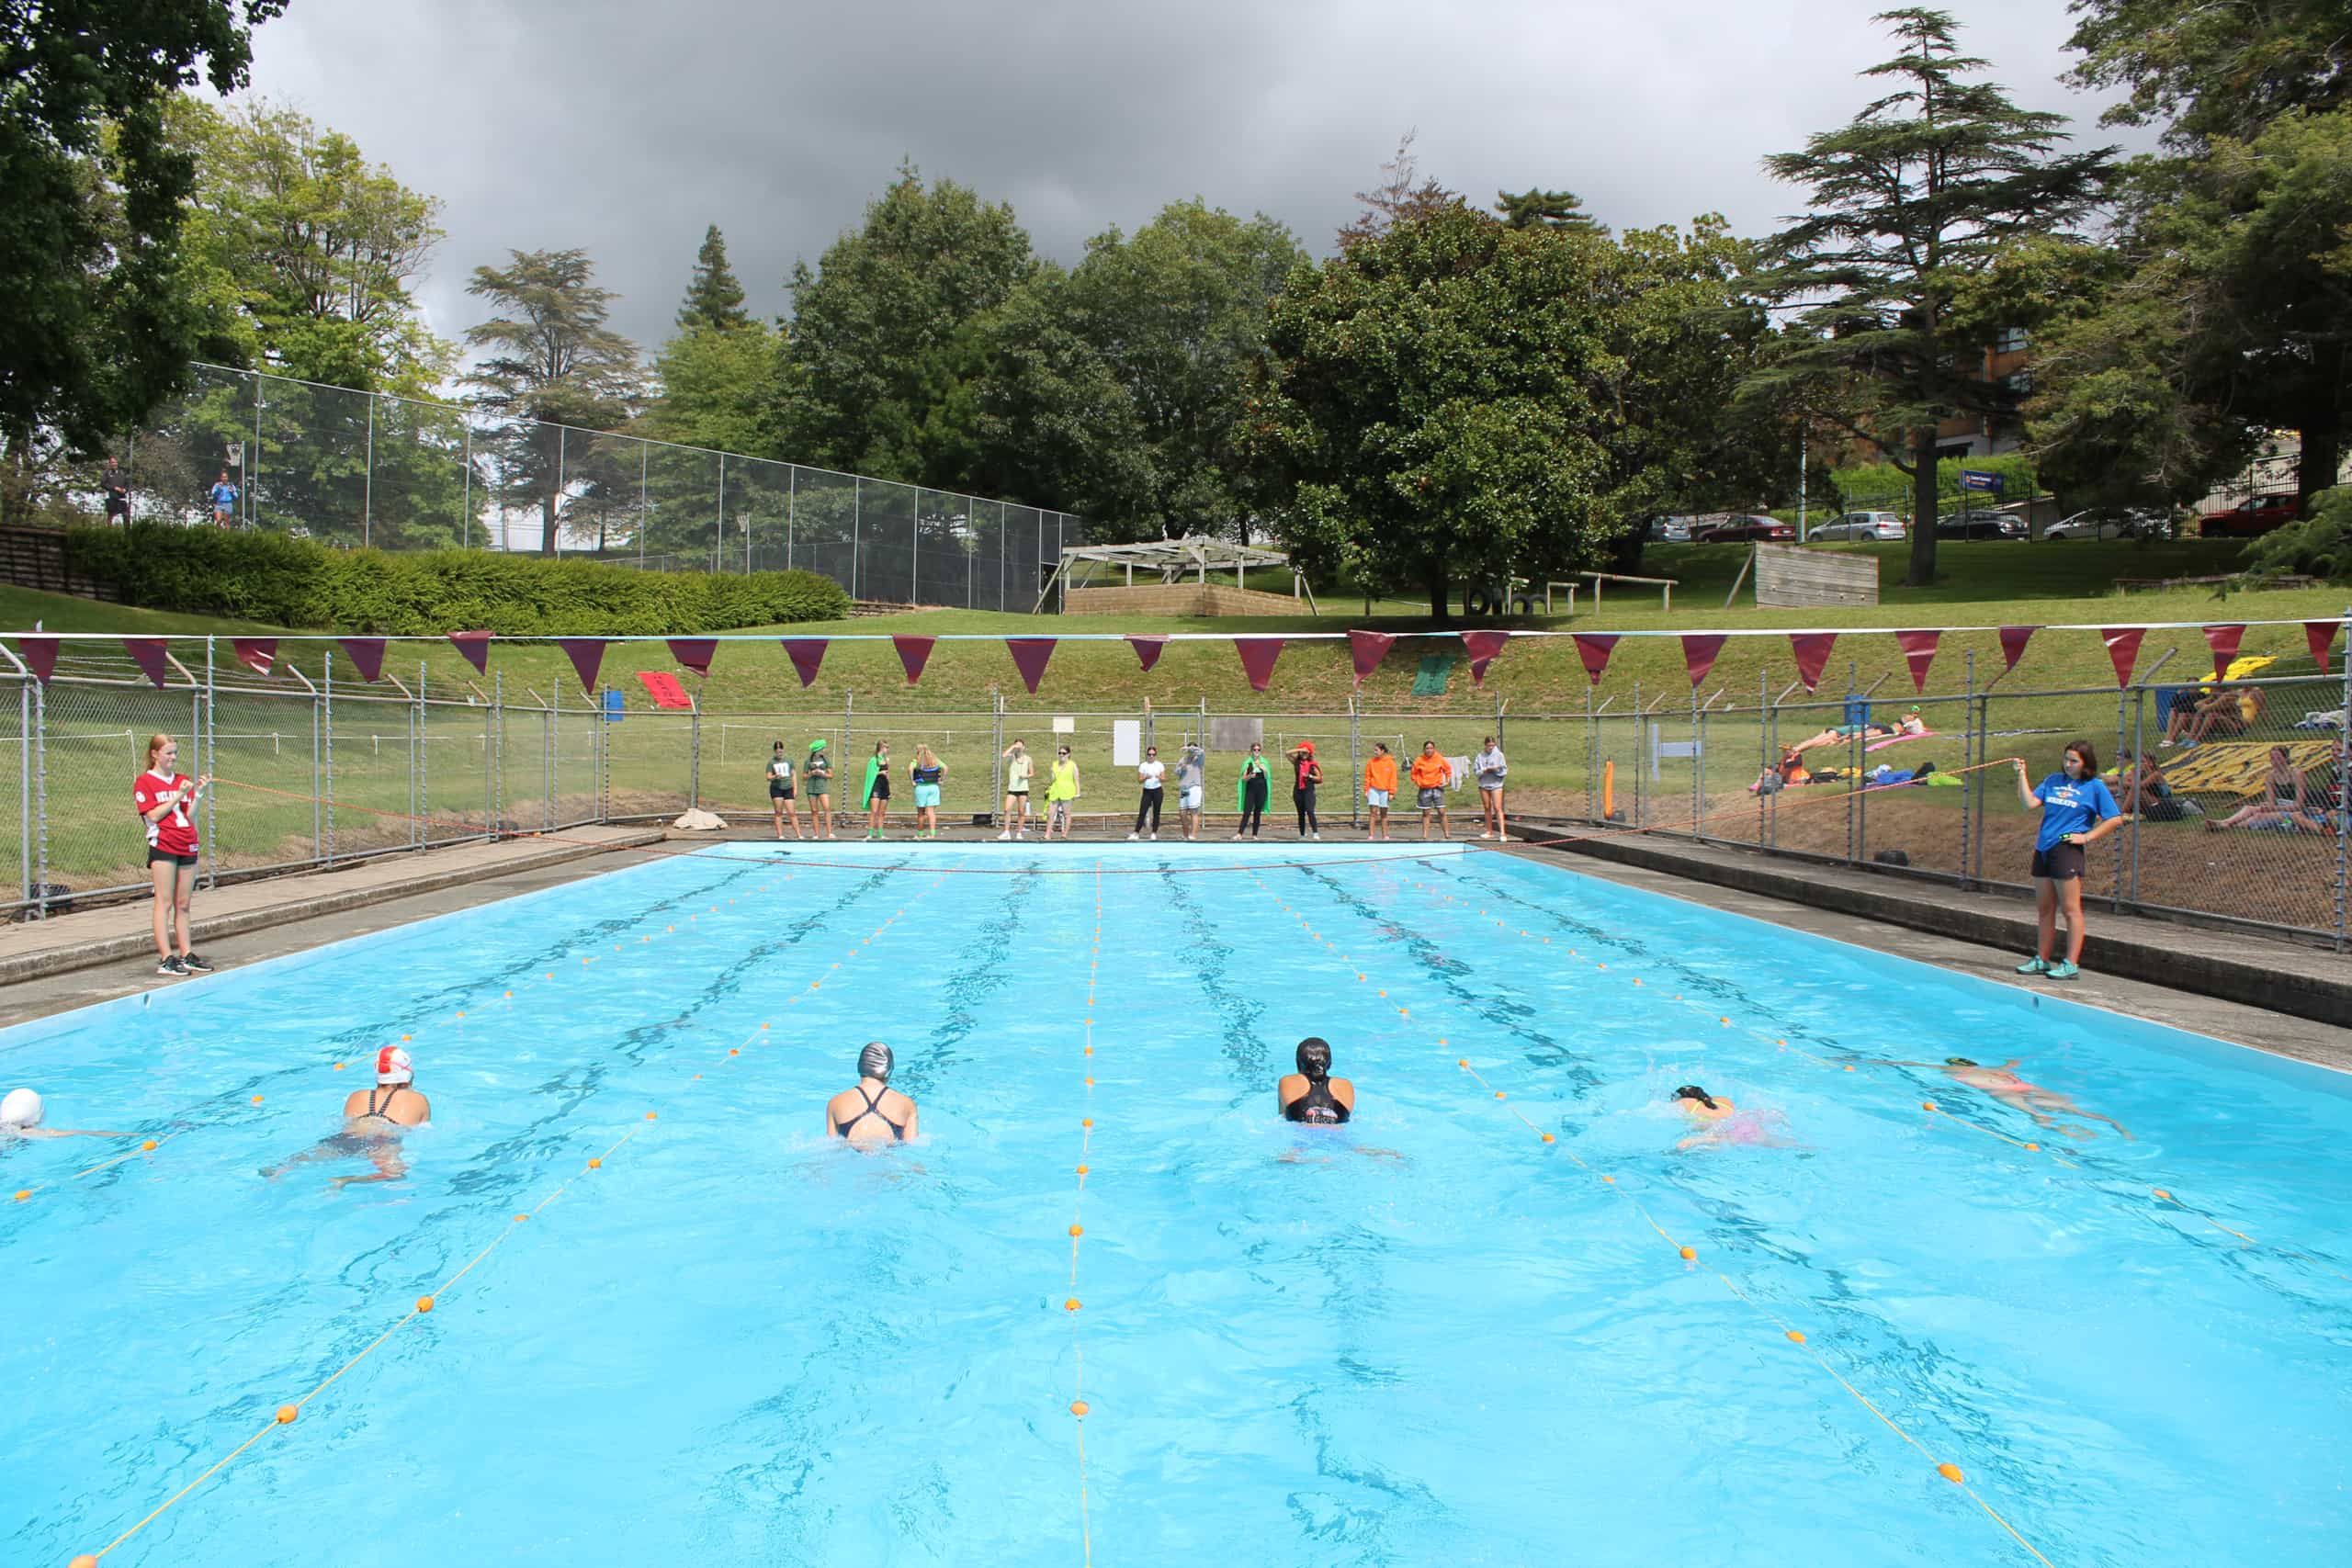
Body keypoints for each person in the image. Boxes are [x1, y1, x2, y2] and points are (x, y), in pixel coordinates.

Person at [2011, 740, 2126, 980]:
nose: (2068, 765)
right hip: (2044, 847)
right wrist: (2021, 775)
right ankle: (2042, 959)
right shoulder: (2053, 781)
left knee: (2071, 910)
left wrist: (2086, 837)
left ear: (2085, 763)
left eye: (2074, 761)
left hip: (2066, 850)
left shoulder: (2094, 787)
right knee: (2045, 909)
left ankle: (2070, 963)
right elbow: (2029, 803)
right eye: (2066, 759)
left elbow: (2114, 818)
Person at [262, 1045, 432, 1187]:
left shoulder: (356, 1095)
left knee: (310, 1156)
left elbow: (346, 1123)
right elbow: (422, 1132)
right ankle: (346, 1180)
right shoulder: (418, 1099)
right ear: (408, 1075)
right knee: (396, 1175)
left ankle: (280, 1169)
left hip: (346, 1138)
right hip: (382, 1141)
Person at [1863, 1056, 2133, 1140]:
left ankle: (2060, 1131)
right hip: (2023, 1085)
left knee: (2034, 1114)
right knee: (2077, 1111)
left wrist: (1886, 1062)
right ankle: (2116, 1126)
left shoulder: (1954, 1071)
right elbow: (2013, 1063)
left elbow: (1918, 1066)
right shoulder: (1994, 1069)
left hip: (2002, 1092)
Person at [134, 733, 212, 977]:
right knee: (164, 902)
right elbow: (153, 816)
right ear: (155, 754)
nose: (173, 757)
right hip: (164, 845)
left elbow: (189, 816)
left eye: (175, 752)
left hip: (187, 842)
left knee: (184, 903)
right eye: (168, 753)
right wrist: (178, 794)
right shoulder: (145, 782)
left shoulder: (182, 780)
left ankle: (186, 953)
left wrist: (197, 794)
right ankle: (166, 957)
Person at [2205, 744, 2330, 833]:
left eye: (2278, 758)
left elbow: (2299, 805)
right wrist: (2267, 806)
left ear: (2286, 759)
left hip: (2295, 813)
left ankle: (2226, 825)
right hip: (2279, 809)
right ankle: (2225, 823)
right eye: (2272, 758)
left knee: (2257, 817)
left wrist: (2273, 808)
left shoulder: (2296, 774)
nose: (2275, 762)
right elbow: (2270, 801)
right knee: (2249, 808)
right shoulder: (2270, 776)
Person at [826, 1041, 918, 1146]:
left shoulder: (835, 1102)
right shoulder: (907, 1104)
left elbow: (831, 1147)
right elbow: (912, 1147)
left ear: (859, 1067)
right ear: (889, 1070)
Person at [1669, 1084, 1792, 1150]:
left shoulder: (1685, 1103)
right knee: (1782, 1144)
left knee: (1688, 1144)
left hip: (1725, 1132)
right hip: (1748, 1125)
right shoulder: (1723, 1100)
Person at [1276, 1038, 1354, 1124]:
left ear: (1298, 1063)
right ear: (1329, 1063)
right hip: (1336, 1132)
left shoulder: (1287, 1081)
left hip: (1302, 1131)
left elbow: (1282, 1117)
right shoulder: (1346, 1085)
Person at [2163, 682, 2264, 748]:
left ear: (2218, 689)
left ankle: (2197, 740)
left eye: (2212, 688)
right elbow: (2197, 705)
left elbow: (2207, 708)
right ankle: (2185, 738)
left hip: (2236, 727)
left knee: (2212, 715)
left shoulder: (2228, 698)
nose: (2210, 691)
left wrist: (2212, 701)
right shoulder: (2214, 698)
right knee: (2188, 715)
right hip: (2220, 726)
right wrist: (2210, 699)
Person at [1, 1089, 127, 1140]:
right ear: (37, 1117)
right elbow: (84, 1133)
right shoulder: (24, 1133)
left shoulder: (7, 1129)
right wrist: (128, 1134)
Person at [1408, 740, 1452, 840]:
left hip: (1437, 788)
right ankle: (1425, 835)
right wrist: (1418, 782)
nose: (1429, 750)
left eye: (1431, 748)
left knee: (1441, 811)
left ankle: (1447, 834)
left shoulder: (1439, 758)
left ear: (1434, 749)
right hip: (1424, 789)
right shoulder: (1419, 760)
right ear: (1424, 749)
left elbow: (1448, 770)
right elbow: (1413, 773)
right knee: (1426, 813)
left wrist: (1447, 781)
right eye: (1427, 748)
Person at [1474, 735, 1509, 841]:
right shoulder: (1480, 756)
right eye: (1489, 746)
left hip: (1496, 784)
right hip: (1484, 784)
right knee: (1487, 807)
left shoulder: (1499, 755)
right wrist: (1483, 771)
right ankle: (1489, 831)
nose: (1491, 747)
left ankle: (1503, 832)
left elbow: (1504, 770)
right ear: (1485, 745)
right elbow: (1476, 771)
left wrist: (1496, 769)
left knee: (1497, 807)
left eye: (1493, 745)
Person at [1285, 741, 1322, 840]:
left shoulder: (1312, 765)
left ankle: (1315, 833)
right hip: (1298, 791)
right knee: (1300, 813)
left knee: (1310, 811)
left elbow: (1319, 778)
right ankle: (1302, 834)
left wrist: (1309, 776)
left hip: (1308, 790)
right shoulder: (1297, 763)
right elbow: (1287, 753)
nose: (1304, 754)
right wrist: (1300, 749)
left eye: (1306, 752)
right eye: (1302, 753)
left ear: (1310, 753)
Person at [765, 741, 801, 840]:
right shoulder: (771, 762)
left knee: (792, 812)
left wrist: (795, 788)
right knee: (778, 812)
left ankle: (798, 834)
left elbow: (793, 774)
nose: (779, 753)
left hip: (788, 788)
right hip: (776, 788)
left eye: (780, 752)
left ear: (783, 750)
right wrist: (775, 776)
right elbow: (768, 777)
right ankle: (780, 835)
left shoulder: (789, 760)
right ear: (775, 751)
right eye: (777, 752)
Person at [1235, 741, 1271, 839]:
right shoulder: (1248, 763)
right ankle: (1240, 833)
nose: (1256, 752)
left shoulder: (1264, 762)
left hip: (1261, 790)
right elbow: (1243, 778)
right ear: (1251, 751)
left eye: (1258, 750)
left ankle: (1255, 834)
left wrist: (1263, 768)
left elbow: (1267, 777)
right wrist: (1250, 776)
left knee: (1257, 812)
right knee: (1247, 812)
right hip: (1251, 789)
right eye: (1254, 750)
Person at [910, 745, 946, 840]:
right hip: (933, 787)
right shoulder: (935, 760)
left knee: (921, 813)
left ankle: (920, 834)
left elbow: (909, 769)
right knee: (931, 812)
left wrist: (912, 780)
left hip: (921, 788)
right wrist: (942, 779)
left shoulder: (916, 761)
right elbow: (945, 768)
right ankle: (932, 834)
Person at [999, 739, 1034, 839]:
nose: (1019, 747)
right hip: (1012, 788)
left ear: (1024, 747)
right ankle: (1006, 832)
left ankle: (1019, 832)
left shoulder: (1028, 759)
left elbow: (1032, 773)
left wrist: (1025, 776)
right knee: (1007, 809)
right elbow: (1003, 755)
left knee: (1021, 811)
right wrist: (1013, 747)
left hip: (1023, 788)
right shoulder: (1012, 757)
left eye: (1020, 746)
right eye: (1017, 745)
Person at [1363, 742, 1398, 840]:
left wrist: (1391, 792)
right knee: (1373, 812)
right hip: (1373, 789)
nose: (1375, 752)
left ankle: (1385, 835)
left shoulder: (1390, 763)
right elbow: (1368, 777)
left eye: (1376, 750)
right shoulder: (1371, 762)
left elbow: (1393, 778)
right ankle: (1371, 835)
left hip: (1385, 790)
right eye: (1374, 750)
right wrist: (1366, 790)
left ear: (1382, 751)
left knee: (1384, 813)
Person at [1130, 744, 1166, 840]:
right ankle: (1136, 832)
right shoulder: (1143, 765)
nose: (1151, 756)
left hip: (1157, 790)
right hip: (1147, 791)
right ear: (1147, 755)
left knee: (1156, 812)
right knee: (1142, 812)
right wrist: (1146, 777)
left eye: (1153, 754)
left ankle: (1154, 832)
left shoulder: (1159, 765)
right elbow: (1140, 780)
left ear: (1155, 755)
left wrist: (1159, 777)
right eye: (1149, 754)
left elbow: (1164, 778)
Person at [1045, 744, 1080, 840]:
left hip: (1067, 791)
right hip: (1055, 790)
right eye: (1059, 753)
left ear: (1068, 754)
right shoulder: (1055, 764)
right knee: (1050, 813)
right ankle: (1047, 834)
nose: (1061, 755)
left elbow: (1076, 780)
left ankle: (1064, 834)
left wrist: (1078, 792)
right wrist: (1051, 772)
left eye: (1064, 753)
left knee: (1066, 814)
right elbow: (1052, 780)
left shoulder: (1072, 765)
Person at [1174, 743, 1206, 840]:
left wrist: (1191, 748)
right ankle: (1185, 834)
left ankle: (1193, 835)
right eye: (1189, 749)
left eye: (1193, 749)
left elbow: (1202, 751)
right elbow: (1176, 772)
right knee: (1182, 812)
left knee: (1193, 811)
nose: (1191, 751)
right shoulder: (1183, 759)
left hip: (1194, 788)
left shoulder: (1198, 759)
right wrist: (1181, 768)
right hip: (1184, 788)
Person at [804, 739, 834, 840]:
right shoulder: (808, 761)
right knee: (814, 810)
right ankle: (816, 834)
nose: (824, 751)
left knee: (827, 808)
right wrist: (811, 773)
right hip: (811, 788)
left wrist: (822, 773)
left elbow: (831, 775)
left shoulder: (826, 760)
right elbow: (804, 776)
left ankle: (829, 832)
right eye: (822, 749)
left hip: (822, 787)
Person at [862, 741, 892, 840]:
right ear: (881, 748)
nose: (887, 750)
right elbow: (871, 774)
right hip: (876, 786)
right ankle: (870, 833)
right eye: (886, 748)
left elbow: (888, 775)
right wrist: (880, 772)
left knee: (882, 812)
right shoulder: (873, 760)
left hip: (884, 787)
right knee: (874, 811)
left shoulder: (886, 760)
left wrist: (889, 789)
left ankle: (880, 833)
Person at [101, 457, 130, 525]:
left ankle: (128, 532)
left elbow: (127, 484)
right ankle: (110, 532)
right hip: (111, 496)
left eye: (115, 462)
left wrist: (125, 489)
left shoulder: (122, 473)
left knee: (125, 514)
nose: (114, 464)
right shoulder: (107, 473)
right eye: (112, 462)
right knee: (110, 515)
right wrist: (114, 488)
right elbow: (103, 484)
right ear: (110, 464)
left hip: (122, 497)